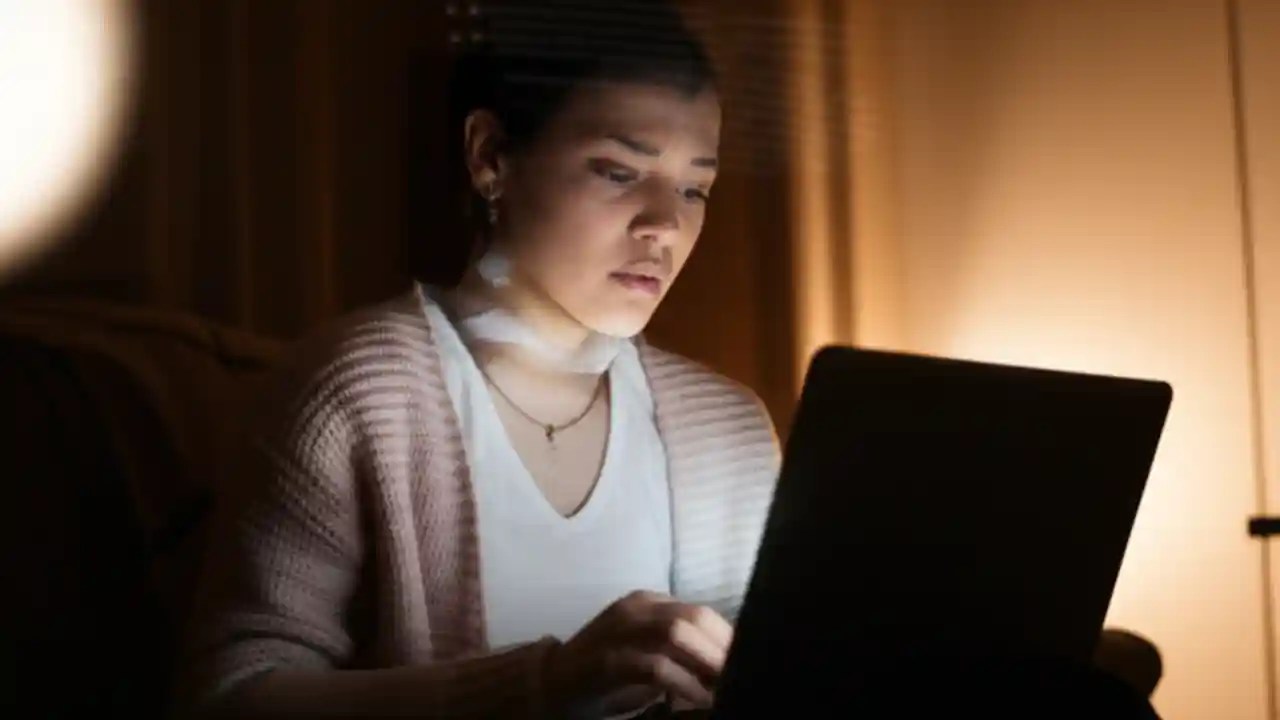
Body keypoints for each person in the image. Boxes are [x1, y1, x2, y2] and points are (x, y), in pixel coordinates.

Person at [174, 1, 780, 718]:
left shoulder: (730, 432)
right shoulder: (357, 395)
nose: (665, 225)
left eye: (693, 188)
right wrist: (542, 685)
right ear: (491, 157)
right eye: (620, 172)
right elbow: (228, 695)